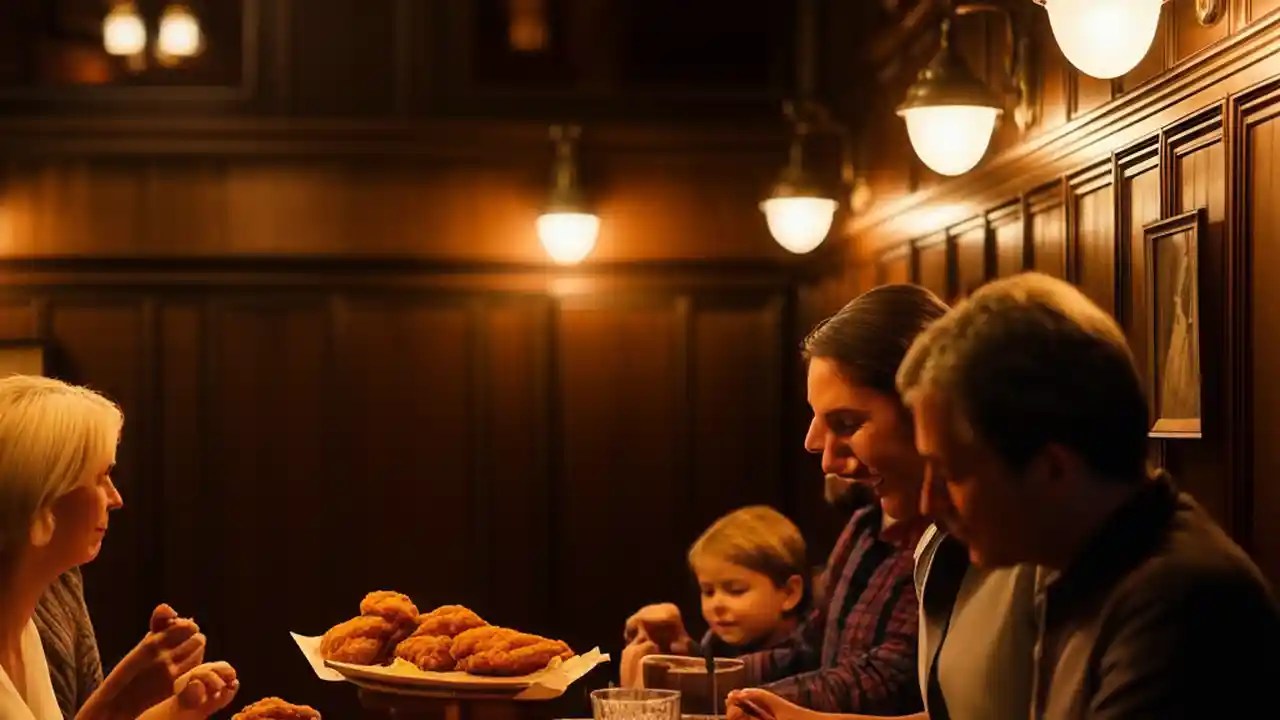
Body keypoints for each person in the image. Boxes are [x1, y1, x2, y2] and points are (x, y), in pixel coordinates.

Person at [895, 272, 1280, 718]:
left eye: (950, 474)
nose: (929, 502)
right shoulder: (1089, 569)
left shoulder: (1180, 603)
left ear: (1052, 469)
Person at [625, 285, 949, 714]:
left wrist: (697, 689)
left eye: (846, 423)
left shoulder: (963, 540)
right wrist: (688, 666)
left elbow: (889, 678)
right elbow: (811, 647)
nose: (821, 454)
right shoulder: (864, 523)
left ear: (926, 411)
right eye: (816, 418)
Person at [0, 375, 240, 720]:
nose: (115, 499)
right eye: (101, 477)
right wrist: (122, 701)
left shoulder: (23, 632)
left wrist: (174, 709)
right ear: (44, 500)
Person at [623, 505, 808, 685]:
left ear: (789, 593)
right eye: (708, 592)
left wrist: (639, 692)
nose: (716, 605)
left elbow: (721, 685)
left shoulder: (801, 658)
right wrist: (679, 652)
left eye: (736, 590)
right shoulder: (716, 644)